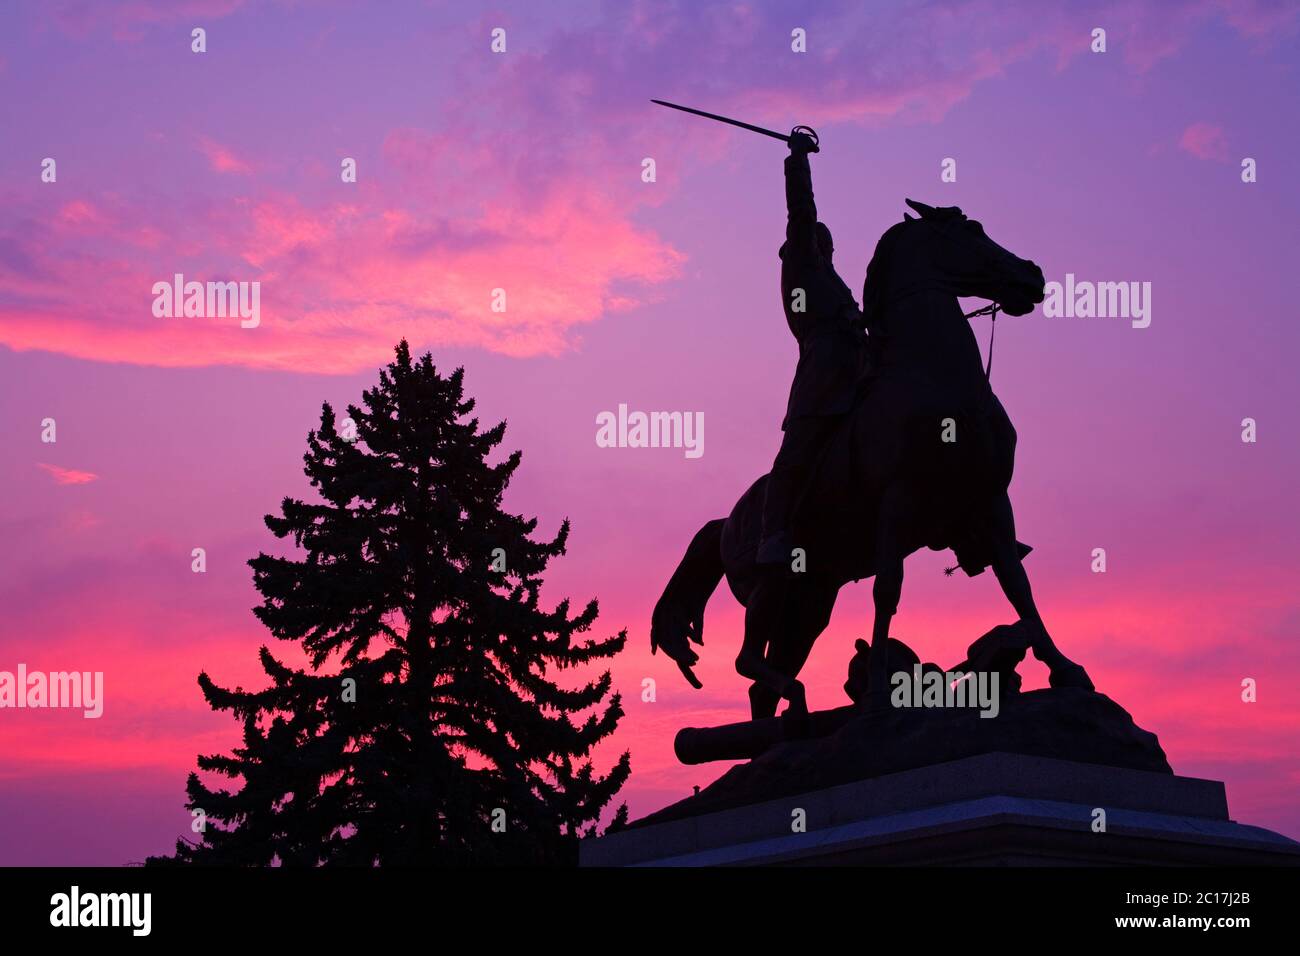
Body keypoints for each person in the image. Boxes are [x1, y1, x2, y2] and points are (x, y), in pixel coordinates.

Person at [757, 131, 869, 565]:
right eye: (827, 246)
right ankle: (772, 534)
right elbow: (801, 210)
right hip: (822, 376)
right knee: (798, 453)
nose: (832, 253)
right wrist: (797, 159)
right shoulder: (802, 264)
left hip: (858, 368)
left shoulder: (834, 281)